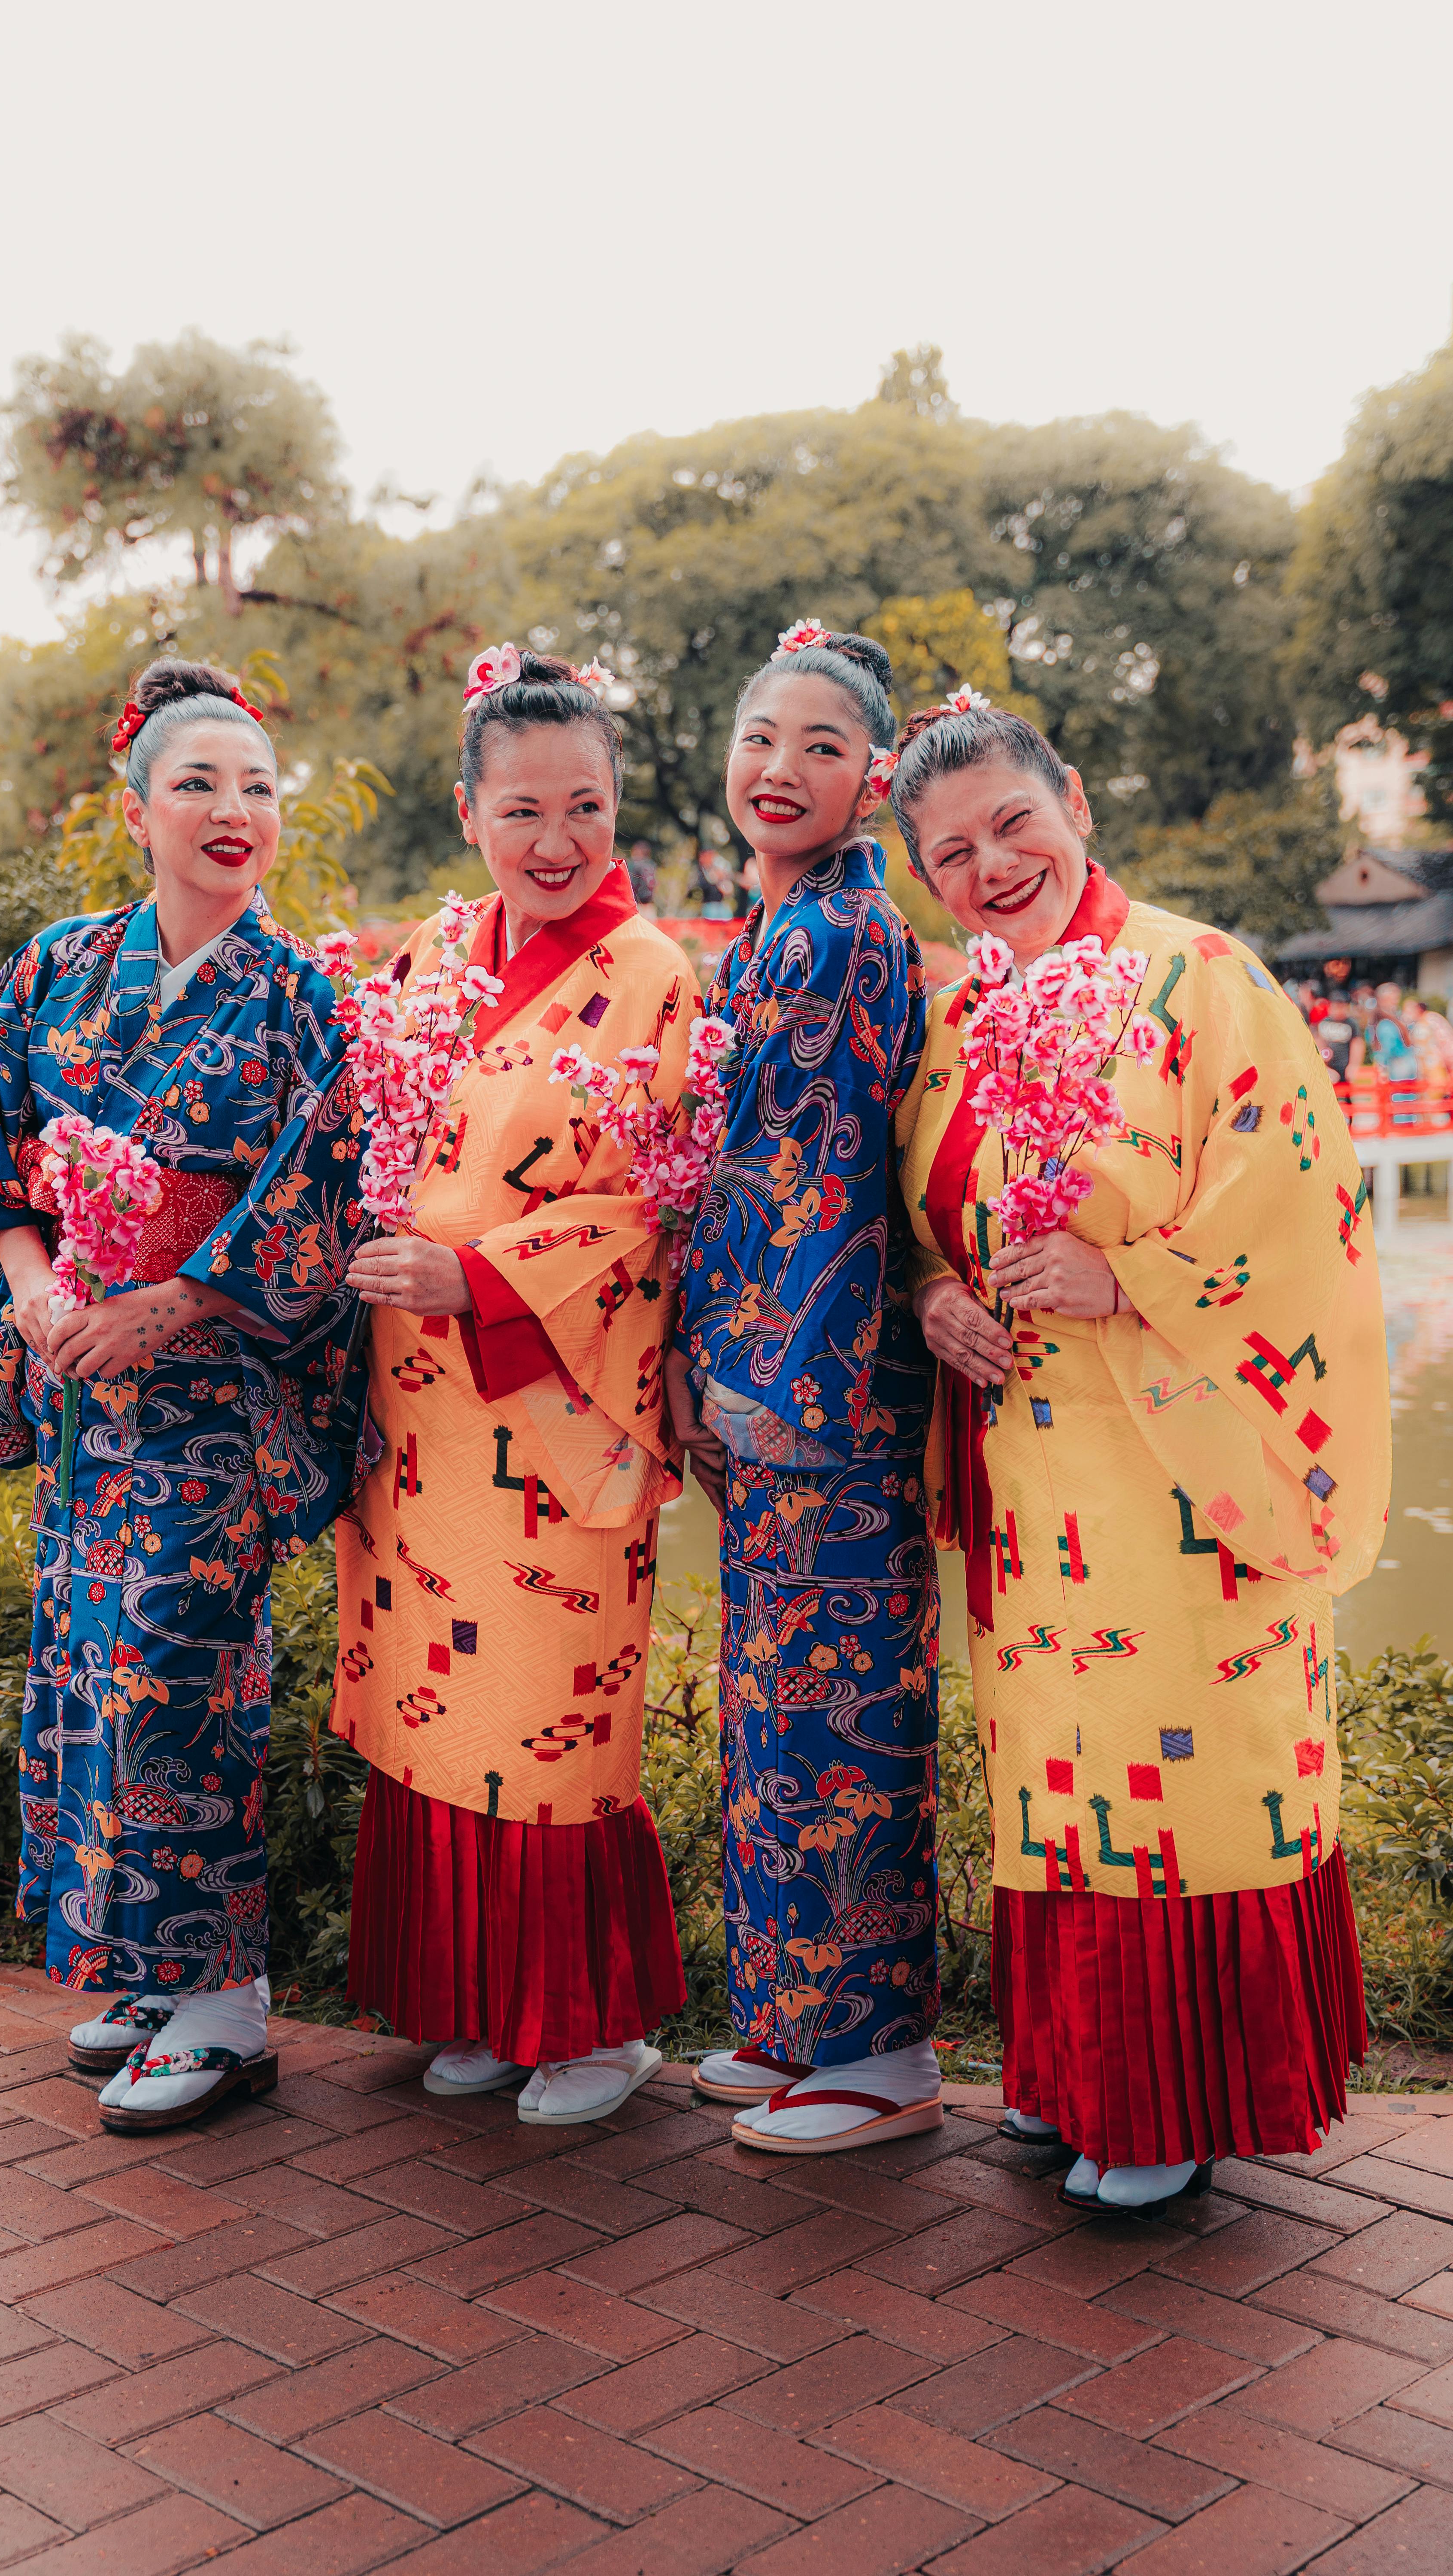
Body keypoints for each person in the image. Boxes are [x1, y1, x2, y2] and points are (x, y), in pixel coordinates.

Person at [892, 693, 1390, 2212]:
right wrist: (931, 1297)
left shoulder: (1205, 977)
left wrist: (1133, 1278)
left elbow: (1298, 1214)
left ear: (1079, 805)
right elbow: (926, 1209)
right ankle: (1074, 2074)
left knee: (1183, 1791)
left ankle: (1173, 2106)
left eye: (1013, 827)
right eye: (951, 852)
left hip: (1188, 1474)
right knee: (1060, 1789)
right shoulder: (960, 1010)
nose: (991, 868)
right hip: (1035, 1489)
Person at [0, 659, 364, 2132]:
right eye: (199, 783)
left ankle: (226, 2002)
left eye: (257, 787)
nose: (233, 810)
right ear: (138, 810)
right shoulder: (54, 967)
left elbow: (321, 1201)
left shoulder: (310, 998)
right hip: (82, 1384)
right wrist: (48, 1292)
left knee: (187, 1674)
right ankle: (139, 1964)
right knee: (86, 1662)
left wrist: (176, 1297)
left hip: (211, 1402)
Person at [332, 647, 697, 2123]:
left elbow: (656, 1210)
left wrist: (478, 1275)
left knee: (553, 1717)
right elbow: (364, 1135)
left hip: (555, 1402)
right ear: (469, 811)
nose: (560, 842)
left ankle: (593, 2024)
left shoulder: (658, 977)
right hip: (418, 1417)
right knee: (439, 1705)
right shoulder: (426, 962)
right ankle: (480, 2002)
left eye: (589, 808)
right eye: (526, 809)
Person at [667, 622, 943, 2154]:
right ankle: (792, 2024)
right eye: (763, 740)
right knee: (777, 1712)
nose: (782, 771)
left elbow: (834, 1189)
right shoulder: (770, 933)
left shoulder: (844, 934)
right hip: (769, 1382)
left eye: (823, 749)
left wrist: (767, 1379)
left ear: (875, 780)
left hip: (824, 1388)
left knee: (839, 1713)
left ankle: (880, 2055)